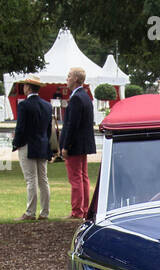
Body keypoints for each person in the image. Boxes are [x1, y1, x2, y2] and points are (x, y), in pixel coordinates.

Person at [11, 76, 52, 221]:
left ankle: (30, 212)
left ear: (28, 88)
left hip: (28, 144)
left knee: (31, 179)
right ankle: (44, 212)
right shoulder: (47, 105)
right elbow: (49, 129)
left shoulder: (24, 105)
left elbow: (21, 128)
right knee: (43, 179)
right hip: (42, 144)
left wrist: (16, 143)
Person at [59, 66, 96, 220]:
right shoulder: (86, 96)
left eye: (68, 76)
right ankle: (85, 208)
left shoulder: (76, 98)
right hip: (84, 144)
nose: (66, 79)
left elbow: (71, 125)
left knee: (75, 178)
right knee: (83, 177)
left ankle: (77, 210)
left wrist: (65, 146)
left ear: (75, 79)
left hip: (74, 145)